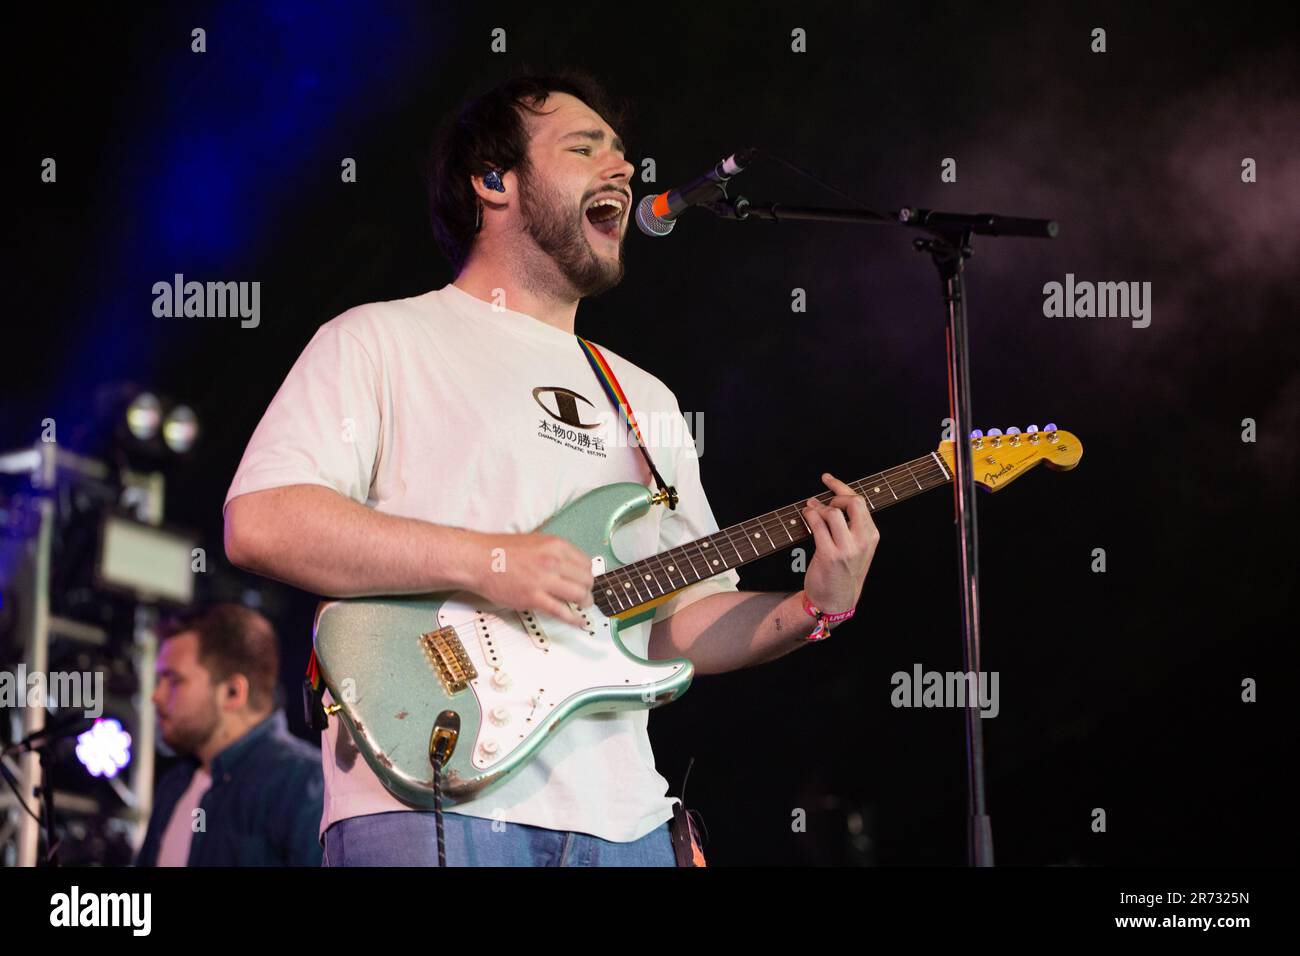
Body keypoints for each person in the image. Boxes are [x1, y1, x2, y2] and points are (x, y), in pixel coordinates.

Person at [223, 70, 879, 867]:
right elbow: (260, 521)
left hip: (626, 824)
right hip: (425, 797)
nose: (624, 169)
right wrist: (490, 562)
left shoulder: (643, 398)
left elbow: (681, 623)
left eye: (624, 153)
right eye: (584, 146)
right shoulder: (378, 341)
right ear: (494, 181)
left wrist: (818, 608)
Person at [135, 604, 323, 866]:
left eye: (173, 680)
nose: (156, 696)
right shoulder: (175, 785)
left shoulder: (305, 783)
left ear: (233, 692)